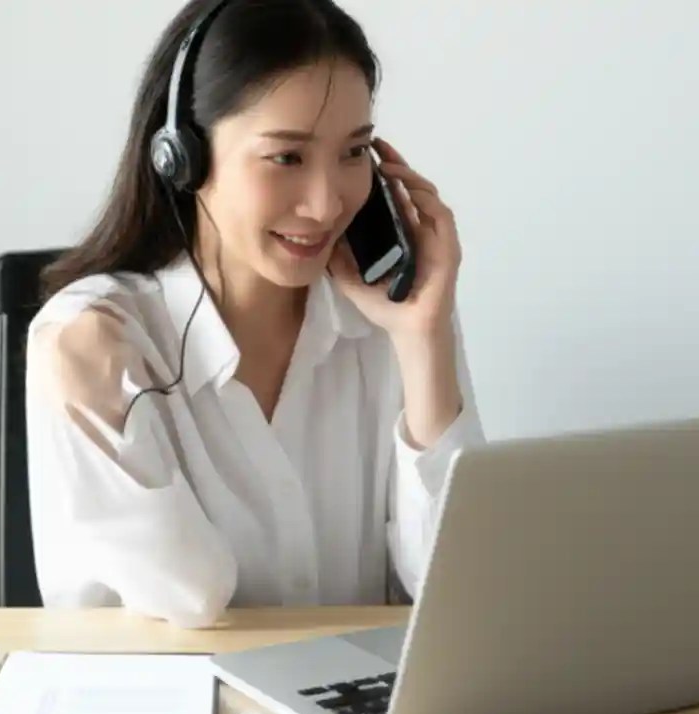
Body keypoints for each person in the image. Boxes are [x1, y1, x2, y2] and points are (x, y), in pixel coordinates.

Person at [24, 0, 485, 629]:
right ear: (182, 156)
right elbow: (190, 598)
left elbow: (461, 591)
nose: (326, 205)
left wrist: (424, 342)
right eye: (287, 157)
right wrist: (106, 404)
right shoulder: (92, 343)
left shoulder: (396, 315)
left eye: (354, 153)